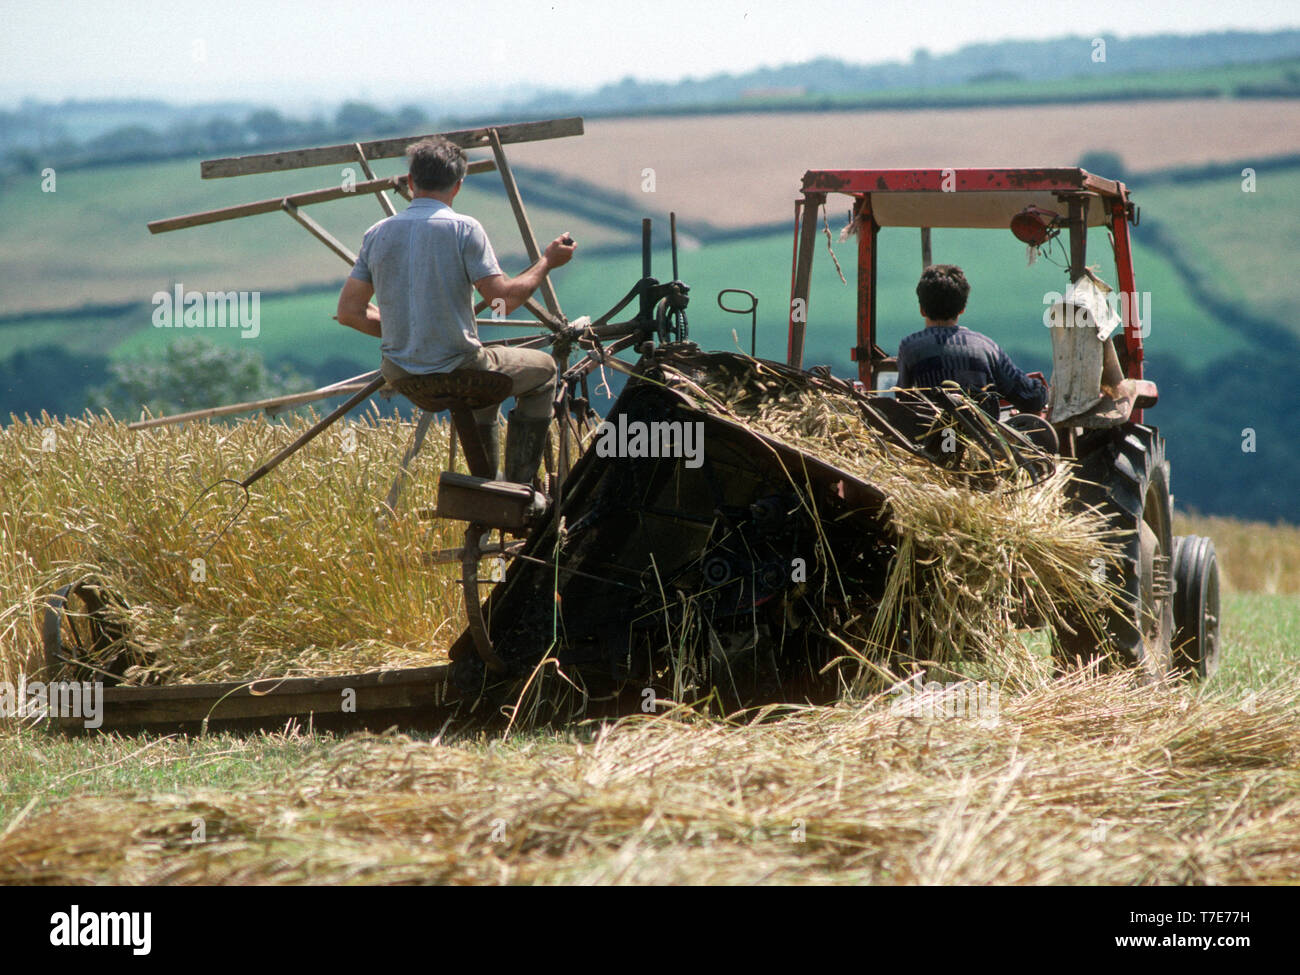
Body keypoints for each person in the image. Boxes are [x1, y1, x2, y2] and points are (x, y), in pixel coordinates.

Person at [335, 136, 576, 484]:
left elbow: (349, 312)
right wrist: (547, 262)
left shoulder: (377, 234)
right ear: (458, 185)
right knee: (545, 371)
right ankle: (520, 486)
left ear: (411, 182)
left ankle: (487, 483)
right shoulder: (464, 229)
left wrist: (408, 331)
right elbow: (501, 302)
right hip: (458, 368)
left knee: (485, 387)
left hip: (402, 375)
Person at [895, 264, 1047, 417]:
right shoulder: (985, 347)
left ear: (922, 309)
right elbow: (1030, 397)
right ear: (962, 308)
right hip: (982, 438)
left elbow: (903, 401)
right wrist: (1040, 391)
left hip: (930, 438)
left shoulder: (909, 347)